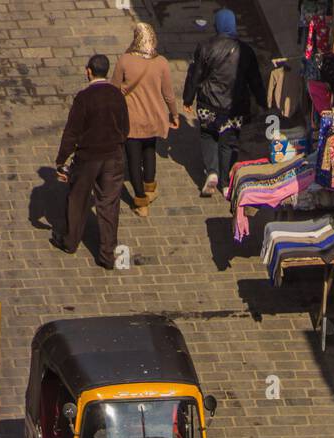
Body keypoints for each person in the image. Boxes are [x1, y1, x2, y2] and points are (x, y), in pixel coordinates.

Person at [53, 55, 130, 269]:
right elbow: (125, 128)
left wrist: (61, 160)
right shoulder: (117, 95)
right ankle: (107, 254)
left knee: (77, 199)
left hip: (88, 158)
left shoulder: (84, 98)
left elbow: (72, 132)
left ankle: (70, 242)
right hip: (114, 157)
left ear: (89, 71)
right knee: (109, 204)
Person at [182, 7, 266, 197]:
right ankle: (227, 183)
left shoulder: (205, 47)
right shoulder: (246, 51)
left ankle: (212, 172)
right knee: (229, 142)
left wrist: (188, 98)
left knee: (208, 135)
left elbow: (195, 76)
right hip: (235, 107)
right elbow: (255, 80)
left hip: (208, 104)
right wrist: (263, 102)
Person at [112, 23, 179, 219]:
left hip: (132, 121)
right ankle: (150, 189)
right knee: (149, 152)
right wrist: (174, 115)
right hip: (154, 119)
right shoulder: (161, 63)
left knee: (133, 160)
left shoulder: (124, 60)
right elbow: (169, 95)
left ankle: (141, 202)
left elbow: (114, 88)